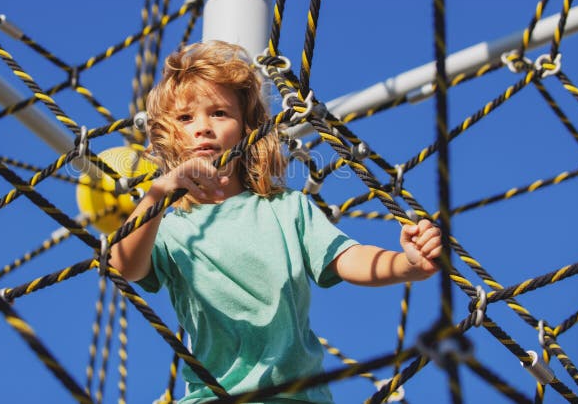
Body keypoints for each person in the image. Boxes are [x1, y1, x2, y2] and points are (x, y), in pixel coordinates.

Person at [110, 40, 442, 403]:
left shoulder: (286, 209)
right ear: (166, 136)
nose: (203, 127)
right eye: (186, 118)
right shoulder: (171, 229)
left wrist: (409, 265)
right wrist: (158, 193)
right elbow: (122, 265)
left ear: (246, 128)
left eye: (220, 113)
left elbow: (348, 259)